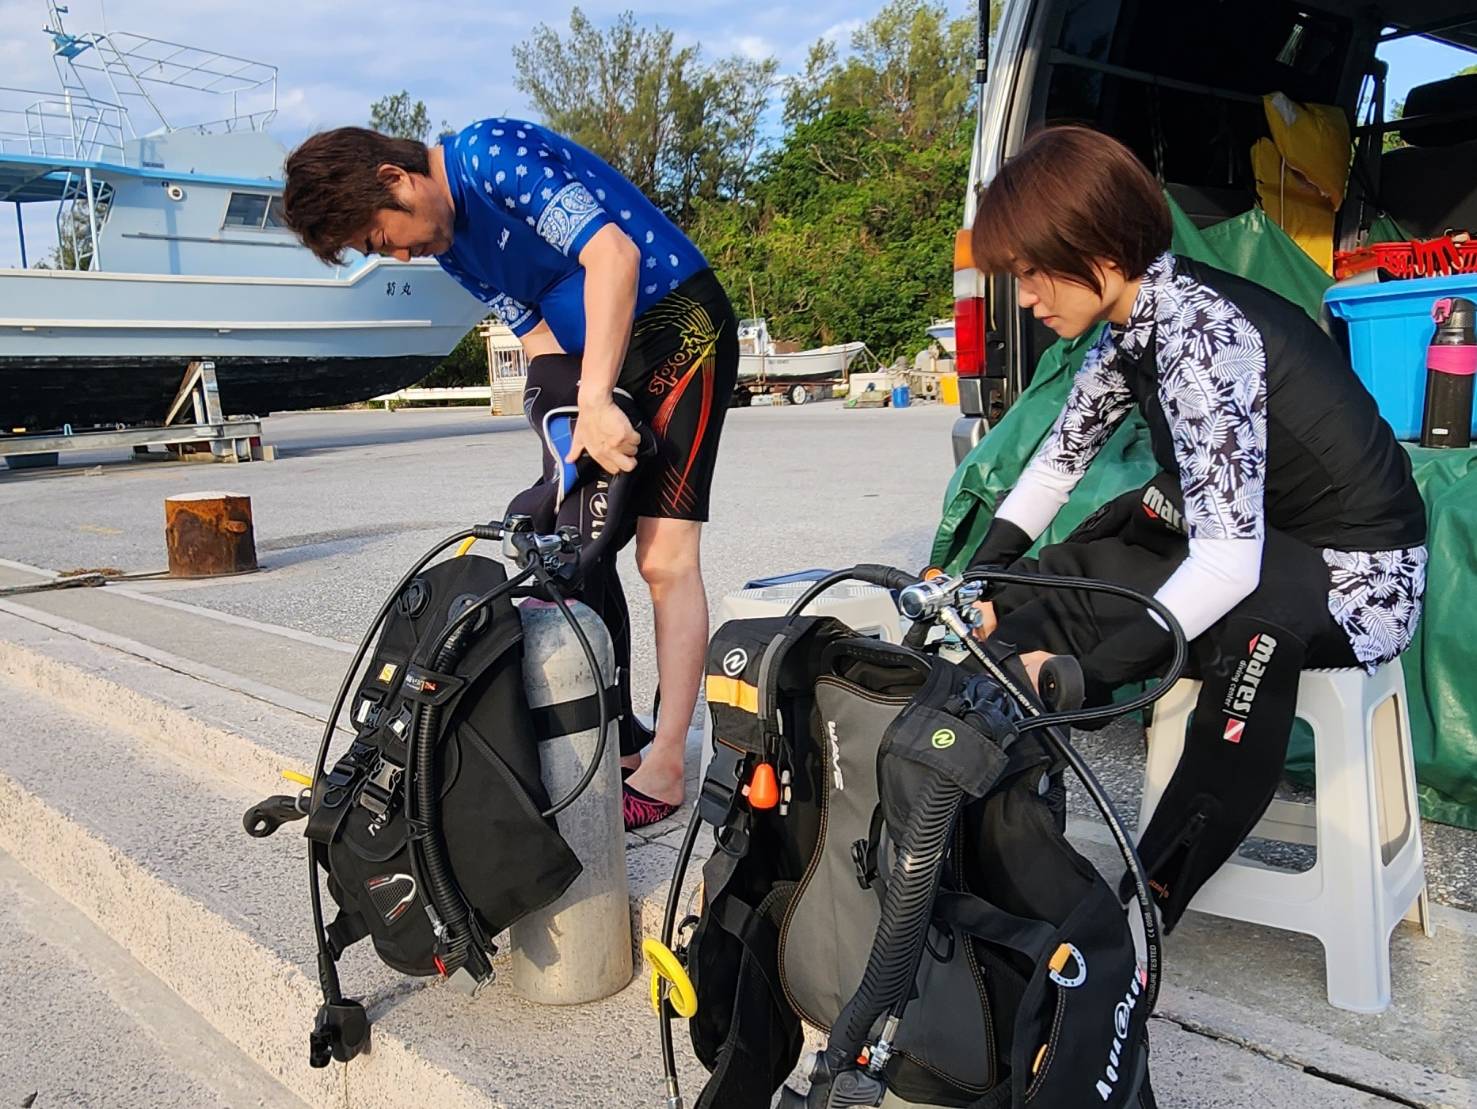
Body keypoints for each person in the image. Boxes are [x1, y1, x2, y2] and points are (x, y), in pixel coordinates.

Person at [964, 126, 1428, 928]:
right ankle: (994, 843)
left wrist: (1093, 676)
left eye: (1035, 272)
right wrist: (977, 576)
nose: (1028, 296)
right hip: (1268, 539)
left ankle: (1147, 906)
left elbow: (1225, 566)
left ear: (1100, 251)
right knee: (1079, 561)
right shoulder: (1132, 318)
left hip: (1361, 573)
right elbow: (1058, 461)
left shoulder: (1201, 341)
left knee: (1250, 629)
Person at [280, 121, 739, 829]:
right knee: (574, 544)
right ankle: (618, 733)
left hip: (678, 324)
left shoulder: (488, 155)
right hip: (597, 365)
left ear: (393, 180)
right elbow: (538, 339)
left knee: (664, 559)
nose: (400, 253)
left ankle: (670, 762)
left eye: (384, 237)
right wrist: (564, 427)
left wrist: (593, 397)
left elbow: (611, 257)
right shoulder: (446, 248)